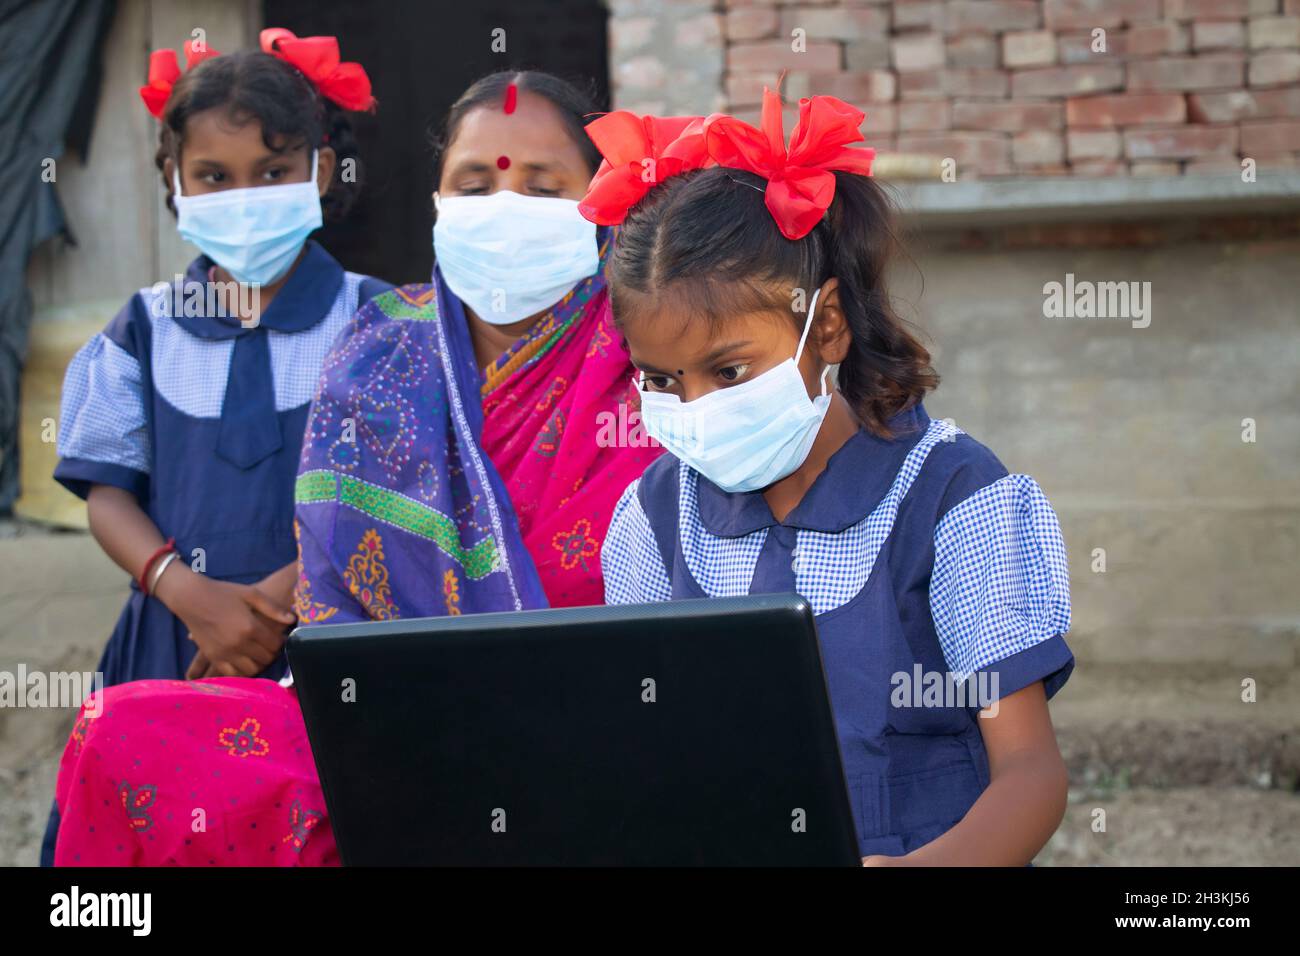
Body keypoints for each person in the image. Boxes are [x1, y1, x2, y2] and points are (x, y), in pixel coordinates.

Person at [47, 71, 662, 866]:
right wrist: (189, 589)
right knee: (124, 735)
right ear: (435, 201)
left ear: (601, 201)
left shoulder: (651, 368)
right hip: (374, 712)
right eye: (473, 186)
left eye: (543, 189)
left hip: (596, 733)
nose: (503, 211)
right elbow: (335, 575)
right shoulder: (381, 350)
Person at [592, 89, 1076, 865]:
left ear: (826, 326)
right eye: (661, 379)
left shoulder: (955, 499)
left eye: (728, 370)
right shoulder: (653, 519)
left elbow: (1031, 774)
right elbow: (645, 758)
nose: (695, 407)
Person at [41, 28, 390, 865]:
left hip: (329, 639)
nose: (244, 195)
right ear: (174, 181)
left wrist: (278, 603)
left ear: (321, 169)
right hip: (175, 639)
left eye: (272, 172)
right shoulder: (141, 328)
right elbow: (107, 494)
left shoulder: (376, 320)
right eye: (214, 177)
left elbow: (391, 486)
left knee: (319, 828)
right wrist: (192, 595)